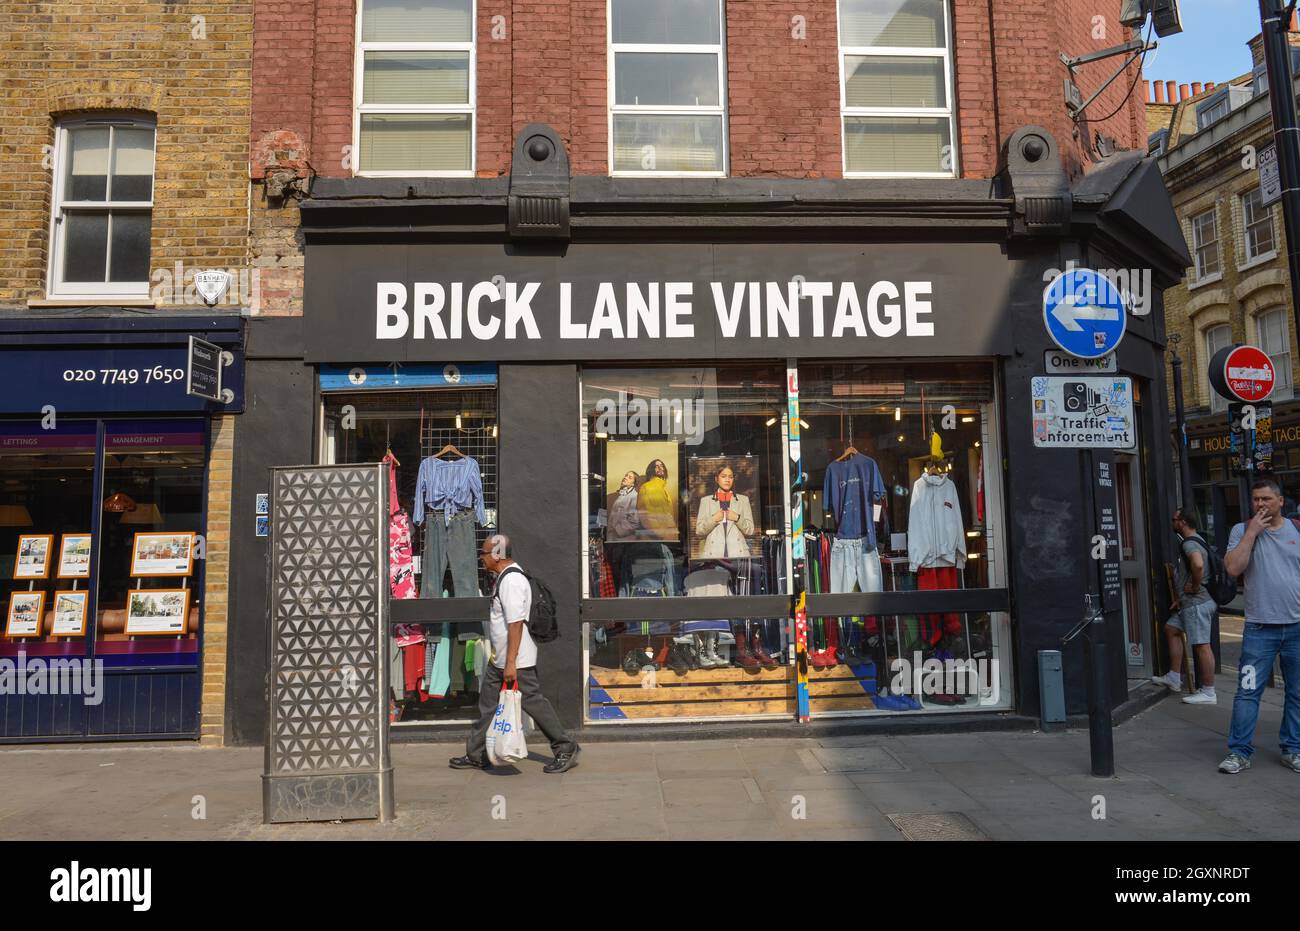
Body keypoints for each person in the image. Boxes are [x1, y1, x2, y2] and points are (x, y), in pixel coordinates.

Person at [449, 533, 580, 774]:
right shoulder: (503, 578)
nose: (481, 558)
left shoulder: (512, 582)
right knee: (488, 705)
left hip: (516, 660)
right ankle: (477, 753)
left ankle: (565, 747)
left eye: (484, 553)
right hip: (501, 659)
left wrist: (510, 663)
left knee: (533, 702)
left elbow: (515, 624)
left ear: (497, 554)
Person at [1217, 478, 1300, 775]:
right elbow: (1233, 568)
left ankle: (1293, 749)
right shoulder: (1241, 531)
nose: (1260, 504)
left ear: (1280, 501)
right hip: (1259, 629)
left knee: (1297, 692)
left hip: (1297, 628)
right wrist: (1252, 532)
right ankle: (1239, 752)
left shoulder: (1297, 530)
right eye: (1255, 500)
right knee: (1248, 691)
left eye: (1266, 499)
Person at [1152, 506, 1216, 704]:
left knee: (1201, 645)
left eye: (1174, 520)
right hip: (1189, 603)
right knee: (1171, 628)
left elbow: (1197, 565)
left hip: (1197, 603)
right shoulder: (1198, 539)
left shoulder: (1189, 543)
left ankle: (1208, 692)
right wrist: (1181, 597)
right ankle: (1174, 676)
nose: (1173, 523)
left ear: (1183, 522)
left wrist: (1195, 586)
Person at [695, 465, 755, 558]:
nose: (727, 480)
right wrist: (714, 519)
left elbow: (750, 530)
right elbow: (699, 530)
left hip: (738, 554)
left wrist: (737, 518)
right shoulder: (706, 501)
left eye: (730, 477)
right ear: (716, 479)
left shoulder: (743, 500)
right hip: (714, 555)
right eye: (723, 476)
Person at [636, 458, 676, 538]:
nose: (660, 468)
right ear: (651, 470)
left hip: (669, 536)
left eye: (661, 466)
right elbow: (644, 515)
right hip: (656, 537)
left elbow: (669, 515)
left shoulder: (664, 490)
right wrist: (660, 535)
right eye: (656, 466)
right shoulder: (646, 487)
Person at [607, 470, 641, 542]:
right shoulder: (620, 494)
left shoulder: (634, 496)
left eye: (629, 477)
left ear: (633, 484)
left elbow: (634, 522)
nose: (625, 477)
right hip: (612, 538)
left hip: (623, 540)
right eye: (626, 475)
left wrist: (617, 531)